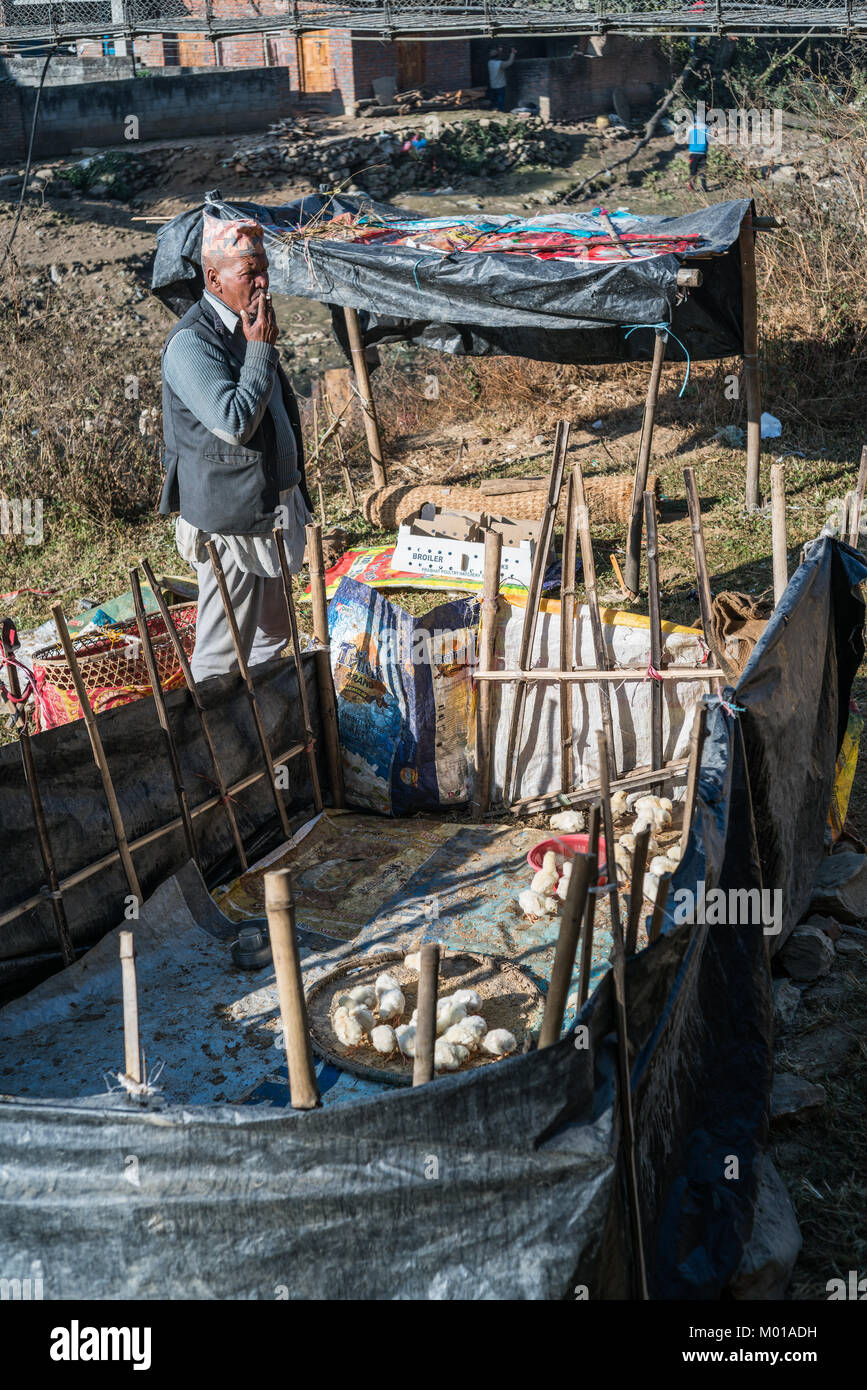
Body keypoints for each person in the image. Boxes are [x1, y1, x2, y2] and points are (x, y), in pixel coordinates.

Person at [159, 212, 313, 683]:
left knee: (273, 631)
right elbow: (234, 422)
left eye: (263, 267)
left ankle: (262, 724)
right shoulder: (191, 343)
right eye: (249, 272)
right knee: (222, 653)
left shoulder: (244, 324)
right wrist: (260, 349)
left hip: (272, 508)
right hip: (233, 517)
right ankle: (214, 747)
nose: (263, 280)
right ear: (214, 278)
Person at [487, 46, 516, 112]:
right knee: (500, 101)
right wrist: (512, 53)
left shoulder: (489, 63)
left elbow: (498, 59)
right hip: (500, 85)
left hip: (493, 85)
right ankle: (500, 111)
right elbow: (509, 63)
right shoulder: (500, 64)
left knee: (494, 100)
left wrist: (500, 51)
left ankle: (493, 110)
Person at [686, 112, 709, 192]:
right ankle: (704, 188)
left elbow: (687, 140)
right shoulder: (706, 127)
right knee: (702, 170)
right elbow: (709, 139)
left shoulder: (690, 127)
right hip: (703, 152)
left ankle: (691, 188)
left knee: (693, 171)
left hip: (693, 153)